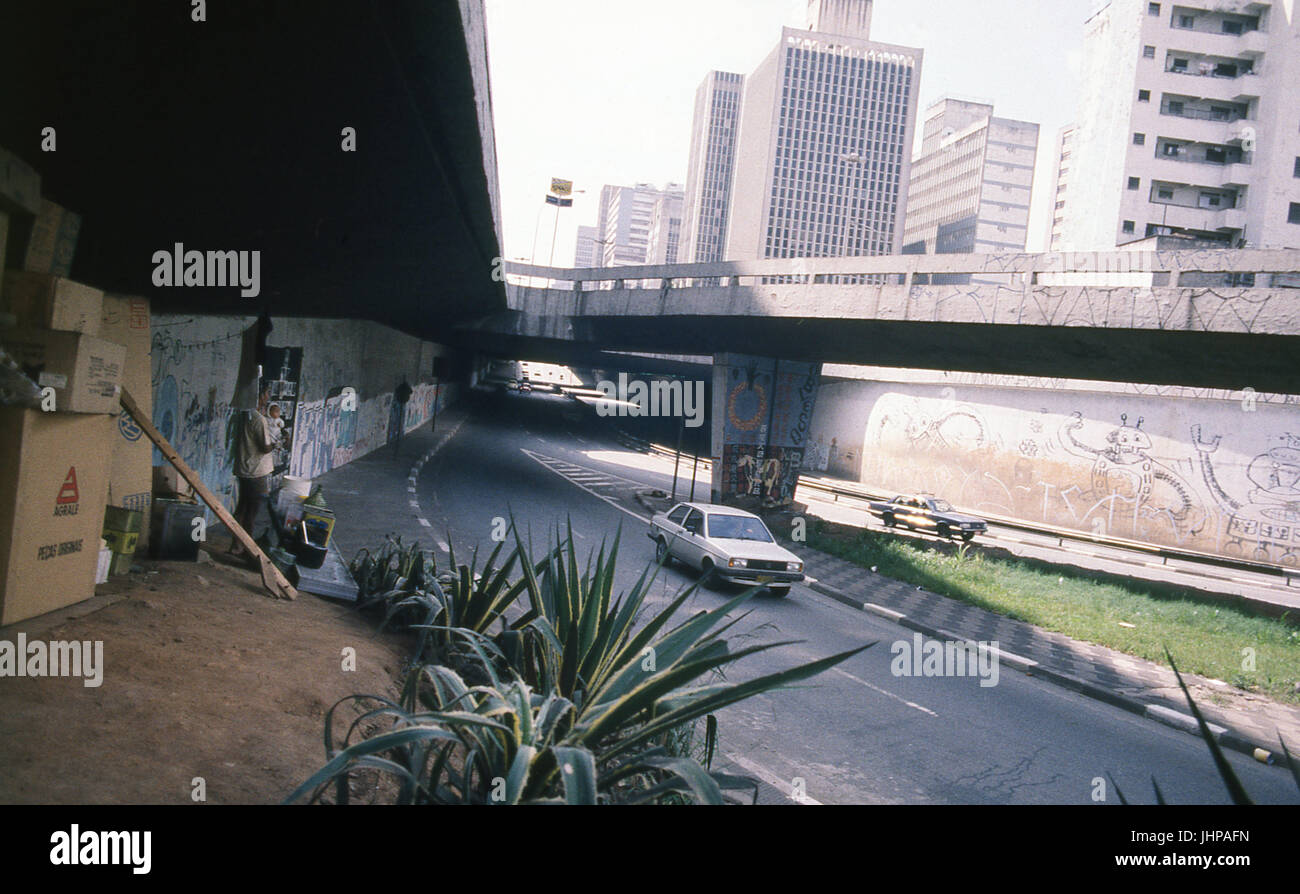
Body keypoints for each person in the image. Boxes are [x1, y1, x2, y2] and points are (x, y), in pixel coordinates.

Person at [230, 386, 280, 562]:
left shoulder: (245, 414)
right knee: (251, 511)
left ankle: (237, 545)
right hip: (255, 471)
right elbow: (264, 447)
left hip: (245, 467)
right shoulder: (258, 419)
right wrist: (277, 443)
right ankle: (245, 547)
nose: (268, 397)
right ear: (260, 395)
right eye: (266, 393)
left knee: (243, 508)